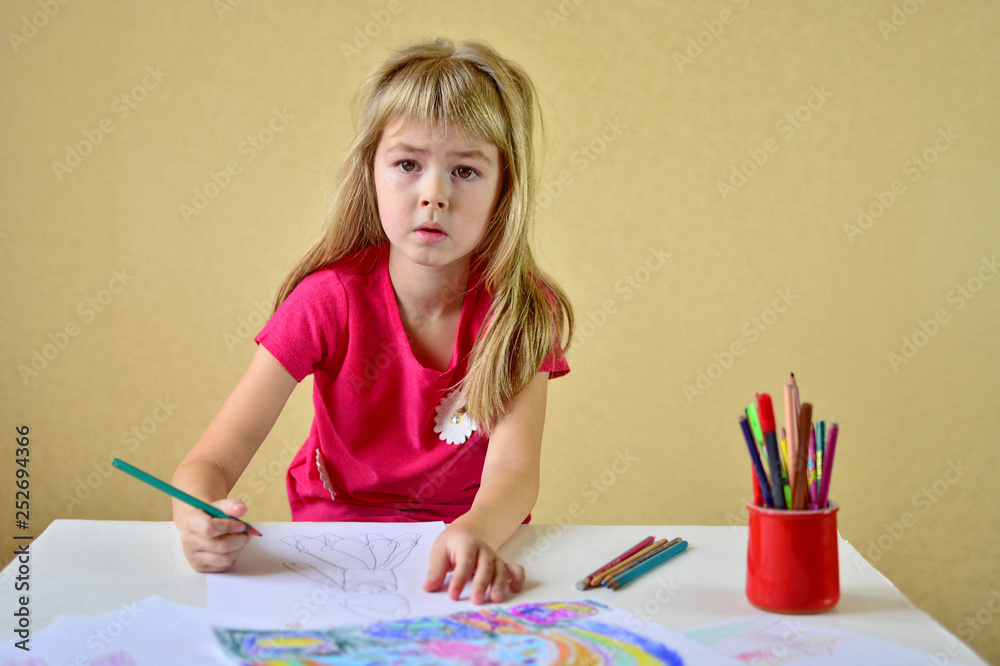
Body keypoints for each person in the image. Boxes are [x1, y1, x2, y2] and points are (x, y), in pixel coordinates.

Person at [171, 38, 573, 606]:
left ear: (504, 188)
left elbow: (514, 467)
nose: (434, 194)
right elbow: (213, 457)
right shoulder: (326, 301)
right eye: (408, 164)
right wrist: (196, 514)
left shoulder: (523, 312)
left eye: (465, 170)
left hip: (469, 549)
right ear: (372, 173)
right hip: (334, 544)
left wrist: (476, 530)